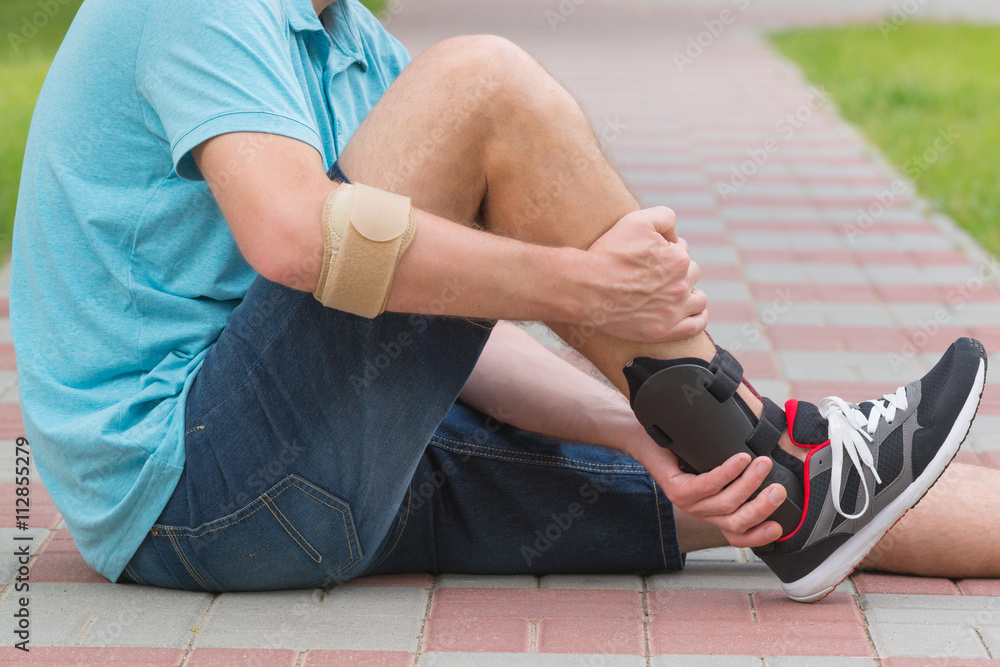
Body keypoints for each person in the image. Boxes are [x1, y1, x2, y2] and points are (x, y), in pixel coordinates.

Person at [10, 0, 995, 603]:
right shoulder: (202, 6)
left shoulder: (355, 50)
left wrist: (633, 428)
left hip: (300, 476)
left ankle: (767, 456)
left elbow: (428, 331)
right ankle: (757, 434)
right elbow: (295, 235)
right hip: (193, 487)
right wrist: (579, 285)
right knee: (480, 80)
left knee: (760, 494)